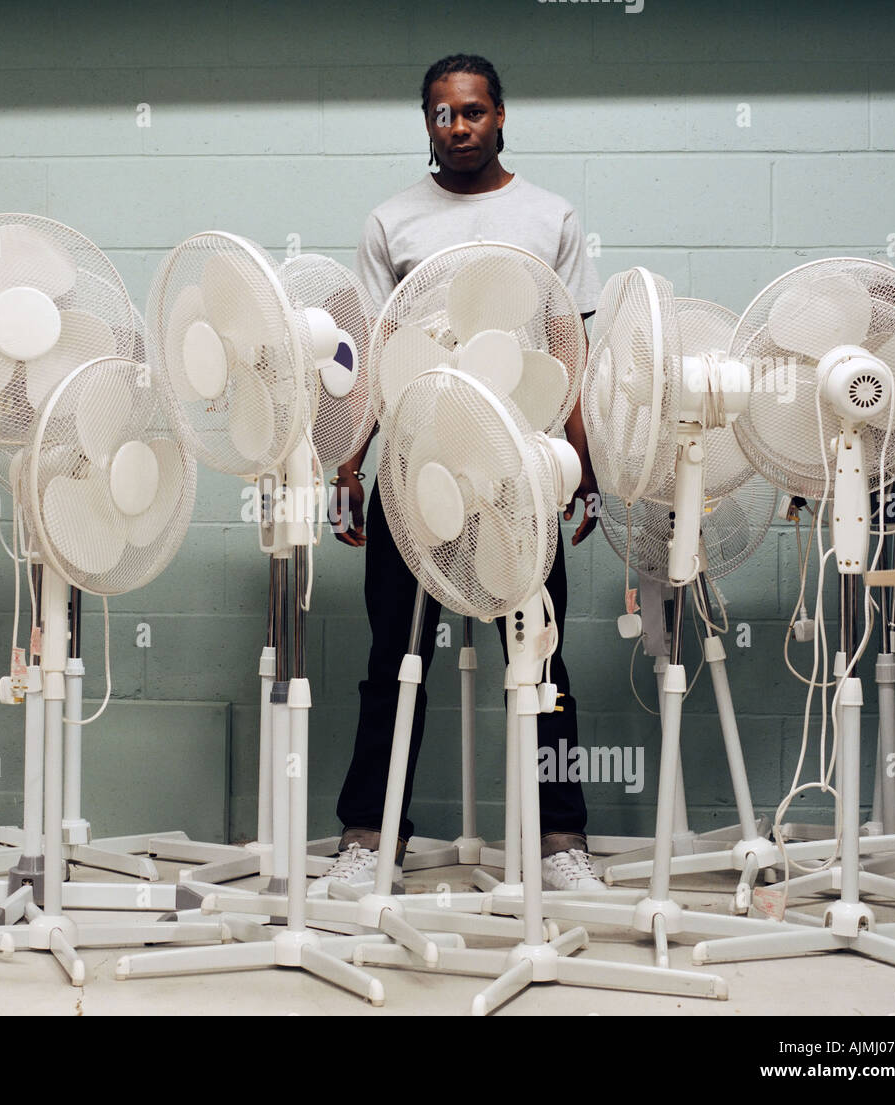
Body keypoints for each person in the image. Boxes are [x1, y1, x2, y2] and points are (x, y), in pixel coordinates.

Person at [316, 54, 604, 896]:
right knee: (394, 659)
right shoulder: (391, 223)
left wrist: (581, 467)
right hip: (416, 469)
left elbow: (568, 352)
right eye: (441, 114)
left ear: (501, 115)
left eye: (472, 111)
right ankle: (371, 838)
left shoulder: (551, 217)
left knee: (543, 661)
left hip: (518, 475)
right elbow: (370, 353)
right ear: (427, 122)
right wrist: (347, 459)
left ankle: (560, 842)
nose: (458, 126)